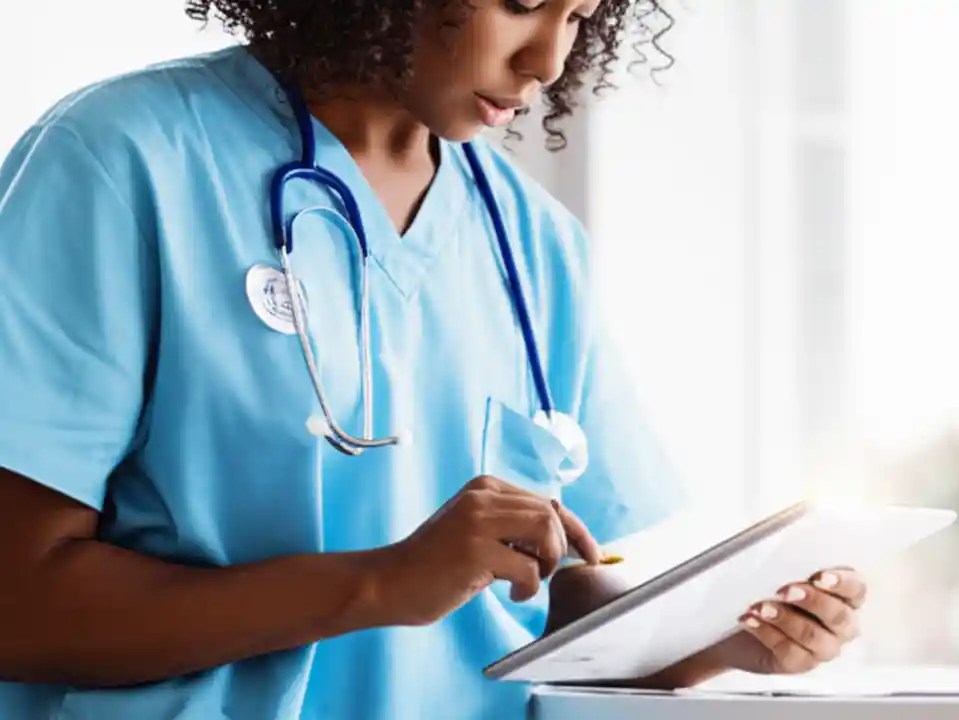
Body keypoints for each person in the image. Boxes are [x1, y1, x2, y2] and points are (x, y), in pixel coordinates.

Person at [0, 1, 868, 718]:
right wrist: (378, 583)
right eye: (523, 4)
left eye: (580, 16)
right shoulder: (120, 163)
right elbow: (18, 602)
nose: (548, 62)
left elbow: (534, 604)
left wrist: (725, 633)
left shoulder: (534, 246)